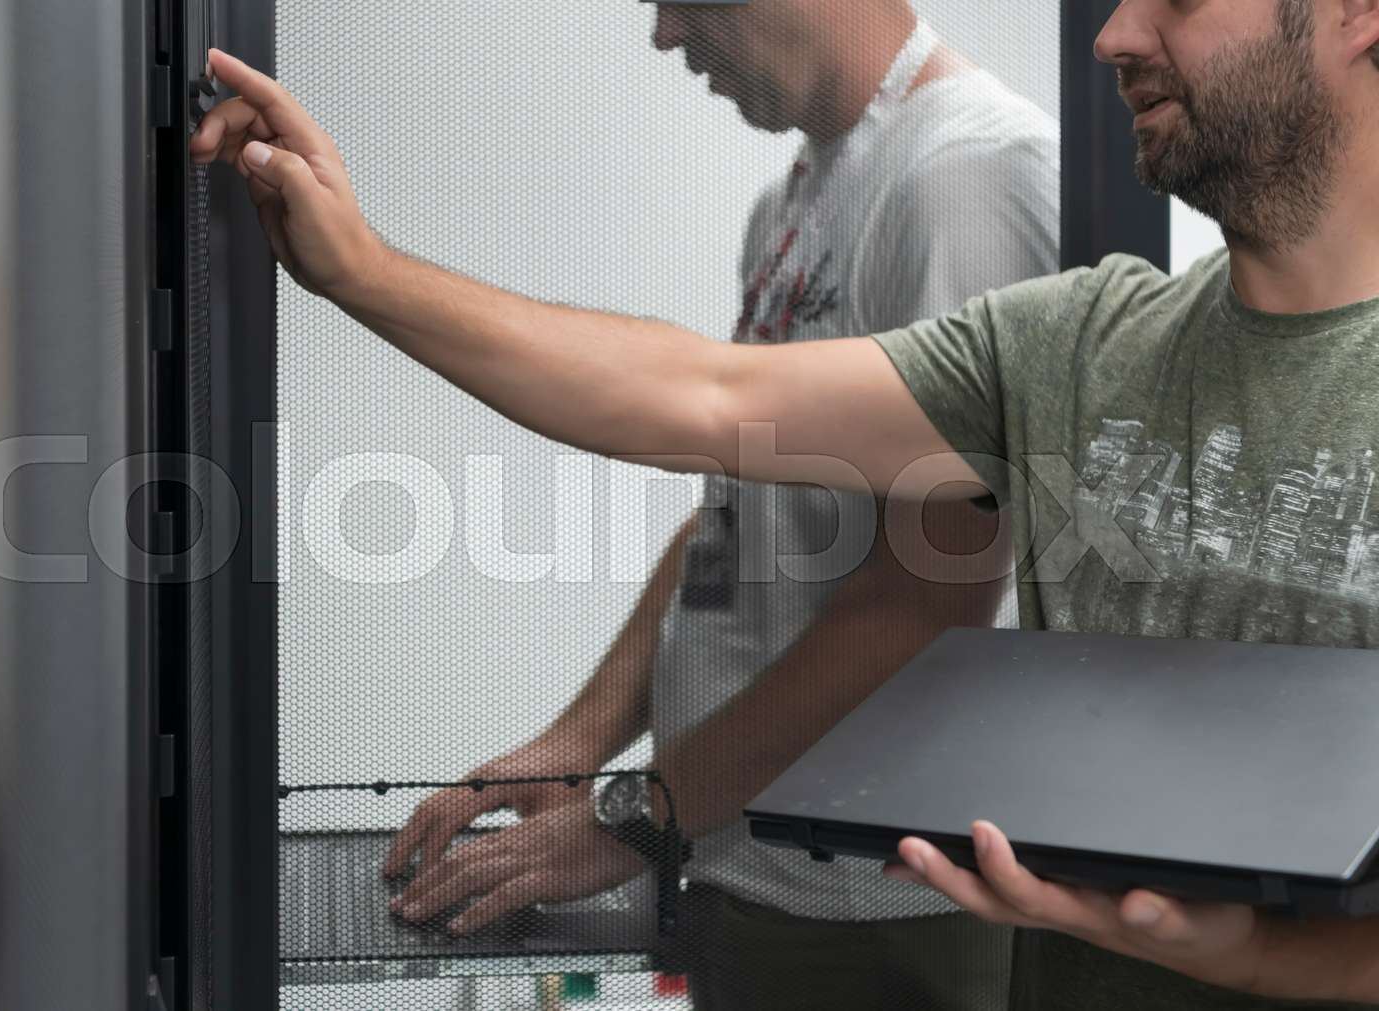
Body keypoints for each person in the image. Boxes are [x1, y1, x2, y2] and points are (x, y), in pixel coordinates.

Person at [191, 0, 1379, 1005]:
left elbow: (924, 592)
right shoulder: (1085, 337)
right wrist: (362, 269)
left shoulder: (971, 171)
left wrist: (1263, 950)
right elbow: (704, 401)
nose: (1114, 33)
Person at [247, 3, 1053, 1007]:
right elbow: (741, 513)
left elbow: (927, 600)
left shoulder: (965, 177)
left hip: (887, 900)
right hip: (745, 860)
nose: (667, 37)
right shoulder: (802, 195)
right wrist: (581, 743)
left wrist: (635, 816)